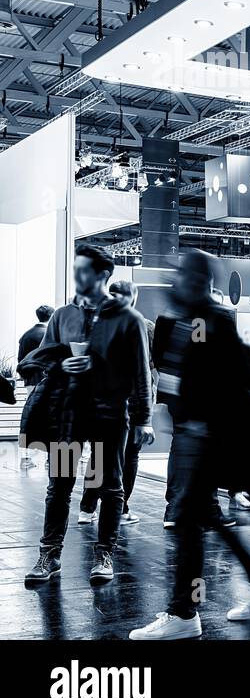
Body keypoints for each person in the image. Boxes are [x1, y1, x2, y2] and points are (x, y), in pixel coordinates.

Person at [129, 250, 250, 639]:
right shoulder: (182, 318)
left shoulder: (209, 319)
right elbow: (174, 369)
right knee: (203, 515)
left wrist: (199, 419)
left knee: (188, 517)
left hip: (205, 436)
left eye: (182, 274)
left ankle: (185, 612)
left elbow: (221, 373)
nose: (174, 279)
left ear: (199, 280)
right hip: (194, 431)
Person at [24, 245, 153, 585]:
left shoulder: (129, 319)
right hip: (69, 415)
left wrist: (144, 418)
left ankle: (104, 553)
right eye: (75, 269)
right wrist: (62, 364)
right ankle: (49, 555)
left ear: (102, 276)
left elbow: (141, 372)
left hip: (111, 415)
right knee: (60, 485)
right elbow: (44, 357)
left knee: (111, 485)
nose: (77, 276)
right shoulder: (62, 316)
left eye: (83, 270)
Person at [80, 281, 155, 527]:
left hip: (102, 401)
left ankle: (87, 507)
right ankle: (120, 509)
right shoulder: (143, 325)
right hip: (130, 403)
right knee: (128, 456)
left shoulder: (96, 324)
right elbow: (149, 368)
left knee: (99, 455)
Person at [17, 305, 54, 469]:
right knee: (48, 418)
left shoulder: (26, 335)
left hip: (30, 381)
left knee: (30, 417)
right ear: (52, 316)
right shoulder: (49, 335)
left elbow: (21, 360)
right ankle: (48, 458)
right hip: (45, 380)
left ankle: (26, 457)